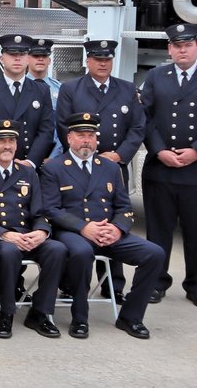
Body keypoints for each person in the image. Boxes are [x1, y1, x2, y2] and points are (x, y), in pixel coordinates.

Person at [42, 112, 165, 339]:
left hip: (109, 233)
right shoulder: (54, 168)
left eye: (91, 135)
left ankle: (131, 316)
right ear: (69, 138)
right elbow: (51, 210)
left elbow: (124, 207)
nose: (86, 140)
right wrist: (83, 227)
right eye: (81, 135)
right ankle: (80, 317)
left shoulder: (110, 167)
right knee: (81, 251)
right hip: (73, 233)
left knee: (154, 253)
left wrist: (118, 228)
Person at [139, 22, 197, 309]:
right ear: (169, 49)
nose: (182, 50)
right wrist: (159, 151)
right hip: (161, 169)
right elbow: (145, 117)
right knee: (158, 231)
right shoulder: (156, 76)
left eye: (188, 45)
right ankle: (156, 282)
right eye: (177, 45)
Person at [56, 38, 146, 301]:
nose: (103, 63)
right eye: (97, 59)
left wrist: (118, 155)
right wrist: (85, 153)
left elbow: (138, 127)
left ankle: (113, 286)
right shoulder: (71, 89)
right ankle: (72, 284)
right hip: (77, 166)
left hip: (114, 166)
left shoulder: (127, 90)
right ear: (88, 61)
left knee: (111, 222)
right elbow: (63, 125)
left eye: (107, 60)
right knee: (78, 224)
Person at [0, 119, 68, 338]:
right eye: (1, 141)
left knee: (57, 250)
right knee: (9, 251)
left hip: (28, 235)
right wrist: (4, 234)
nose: (7, 146)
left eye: (11, 141)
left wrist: (42, 232)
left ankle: (40, 312)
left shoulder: (29, 173)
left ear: (17, 145)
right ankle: (6, 313)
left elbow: (39, 211)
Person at [0, 33, 54, 165]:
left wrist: (31, 161)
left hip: (30, 167)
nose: (17, 59)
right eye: (12, 54)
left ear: (28, 59)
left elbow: (46, 130)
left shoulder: (41, 90)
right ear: (2, 58)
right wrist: (4, 158)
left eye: (22, 54)